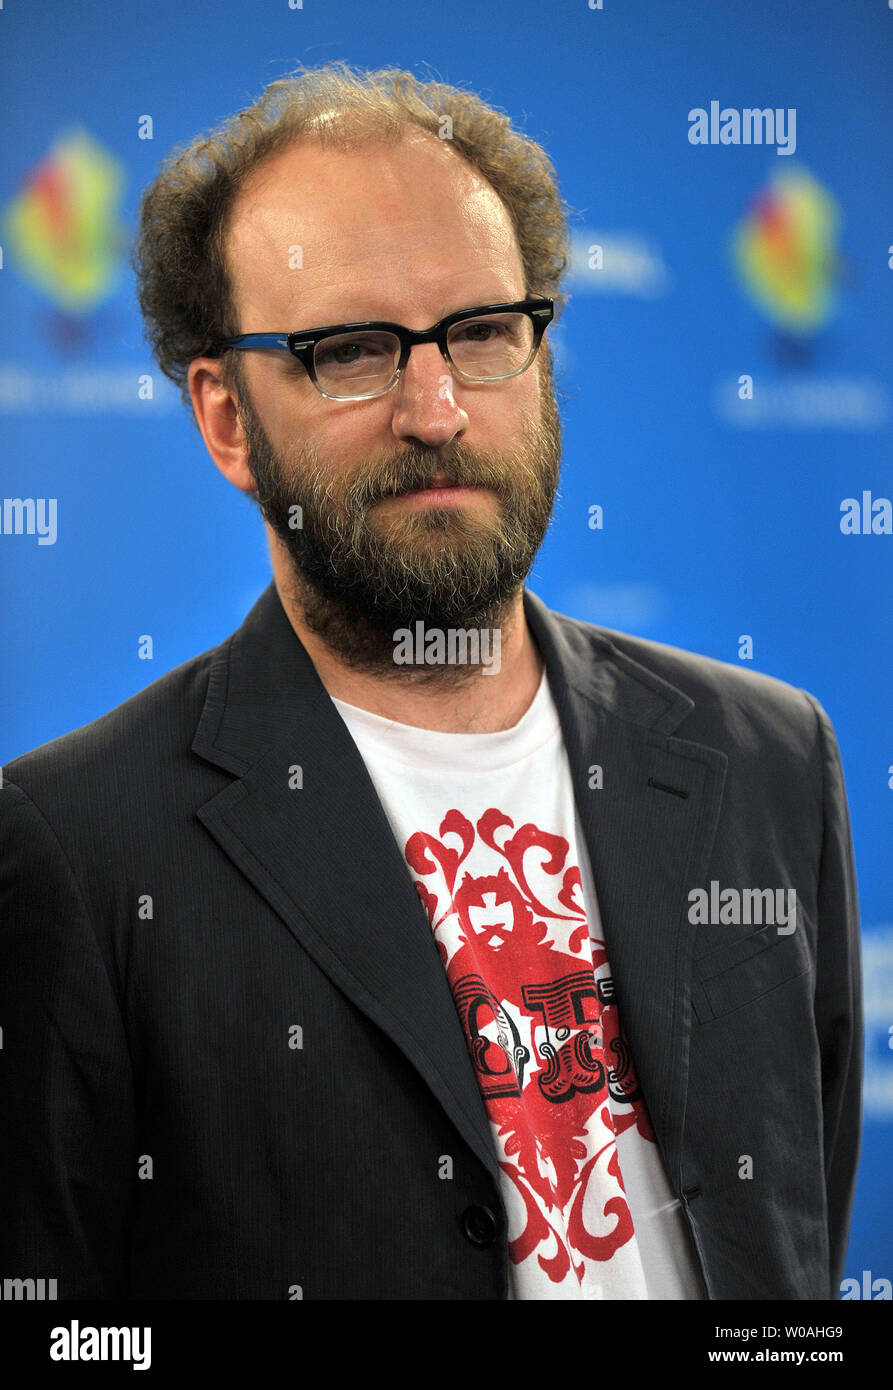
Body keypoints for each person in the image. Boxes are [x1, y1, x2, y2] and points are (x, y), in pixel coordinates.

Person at [0, 62, 862, 1301]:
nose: (437, 406)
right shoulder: (77, 845)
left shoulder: (770, 757)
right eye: (350, 350)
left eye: (482, 332)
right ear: (227, 418)